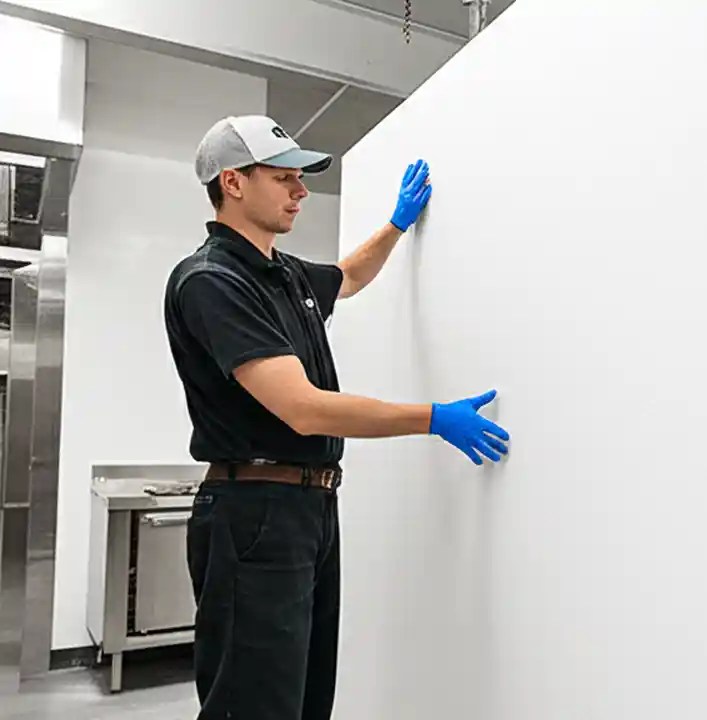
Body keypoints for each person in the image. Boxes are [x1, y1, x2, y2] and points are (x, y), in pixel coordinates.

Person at [163, 115, 510, 719]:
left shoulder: (283, 273)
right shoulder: (212, 281)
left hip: (308, 510)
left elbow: (347, 277)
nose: (301, 191)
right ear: (233, 183)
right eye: (284, 177)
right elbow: (301, 408)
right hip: (256, 516)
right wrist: (432, 417)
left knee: (304, 695)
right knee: (255, 703)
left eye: (301, 178)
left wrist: (397, 226)